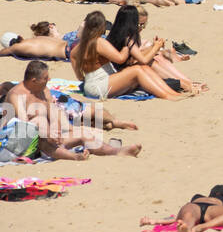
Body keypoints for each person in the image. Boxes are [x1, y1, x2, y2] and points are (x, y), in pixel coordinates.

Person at [4, 60, 142, 160]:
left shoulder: (43, 89)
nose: (49, 79)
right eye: (45, 78)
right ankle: (73, 157)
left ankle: (116, 151)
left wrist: (59, 130)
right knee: (38, 121)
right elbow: (24, 126)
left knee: (83, 133)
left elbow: (53, 111)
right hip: (21, 145)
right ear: (33, 80)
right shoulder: (17, 96)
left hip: (50, 140)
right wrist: (47, 133)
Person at [69, 11, 185, 101]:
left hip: (91, 85)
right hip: (99, 87)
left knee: (143, 68)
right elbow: (120, 59)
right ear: (101, 27)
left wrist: (81, 77)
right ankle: (167, 95)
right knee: (137, 70)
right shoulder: (99, 41)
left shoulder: (82, 43)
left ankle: (171, 93)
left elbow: (72, 57)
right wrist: (126, 47)